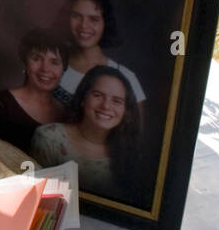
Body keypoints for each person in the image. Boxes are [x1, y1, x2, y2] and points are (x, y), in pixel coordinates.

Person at [31, 66, 143, 199]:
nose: (106, 106)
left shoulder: (129, 152)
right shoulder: (49, 139)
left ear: (125, 110)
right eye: (97, 95)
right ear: (83, 99)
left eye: (117, 101)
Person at [54, 0, 145, 111]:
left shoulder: (126, 77)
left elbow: (133, 129)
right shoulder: (48, 67)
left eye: (94, 19)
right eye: (76, 16)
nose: (84, 26)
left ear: (105, 24)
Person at [0, 29, 69, 154]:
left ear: (63, 69)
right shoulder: (1, 105)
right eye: (37, 59)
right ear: (25, 63)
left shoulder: (67, 113)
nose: (45, 69)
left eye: (54, 62)